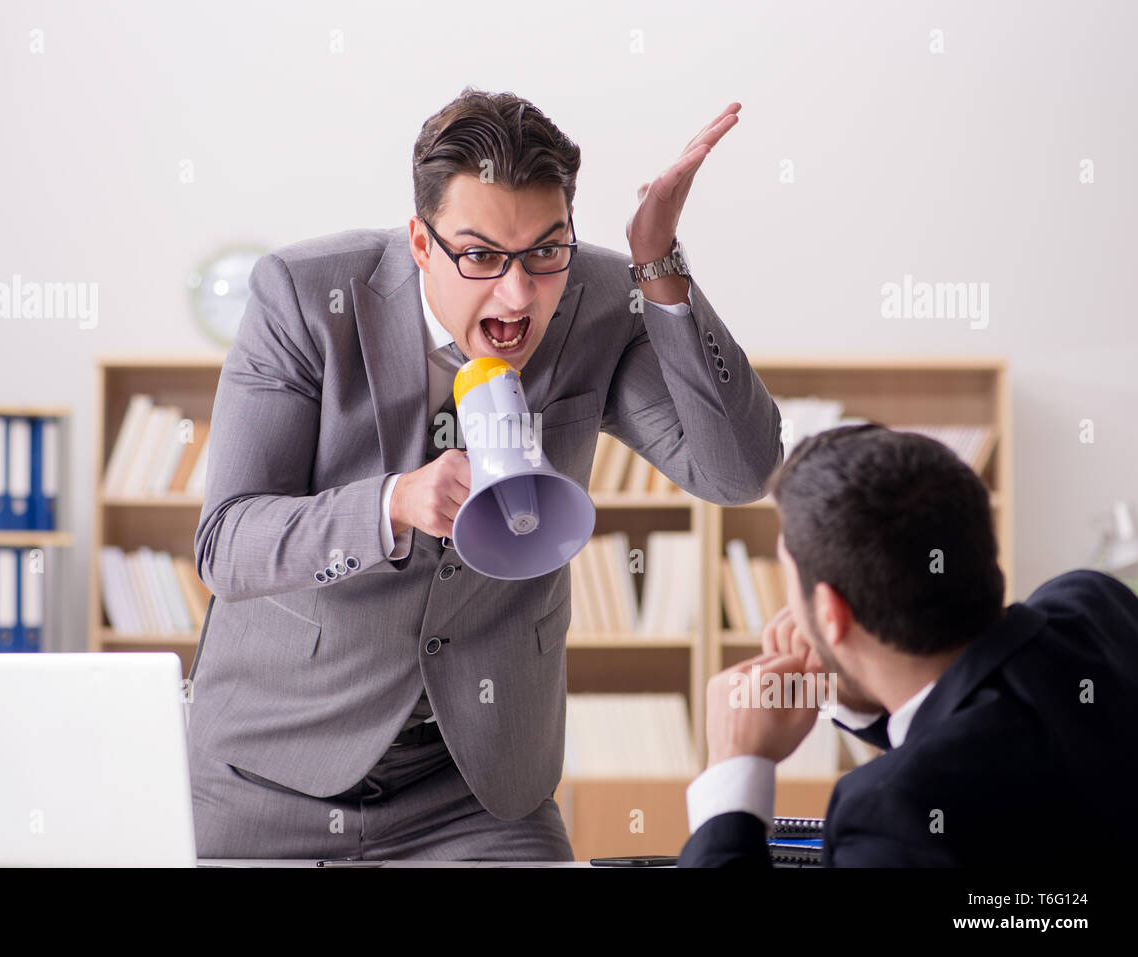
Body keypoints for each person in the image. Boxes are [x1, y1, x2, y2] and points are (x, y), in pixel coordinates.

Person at [185, 87, 782, 860]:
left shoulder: (600, 299)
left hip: (474, 792)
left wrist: (659, 261)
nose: (518, 292)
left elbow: (739, 471)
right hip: (268, 777)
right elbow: (226, 545)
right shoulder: (305, 297)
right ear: (420, 242)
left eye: (546, 250)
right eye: (479, 255)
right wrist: (393, 503)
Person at [678, 424, 1138, 867]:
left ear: (831, 613)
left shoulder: (896, 817)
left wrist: (734, 773)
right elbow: (984, 722)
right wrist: (849, 682)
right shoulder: (1093, 605)